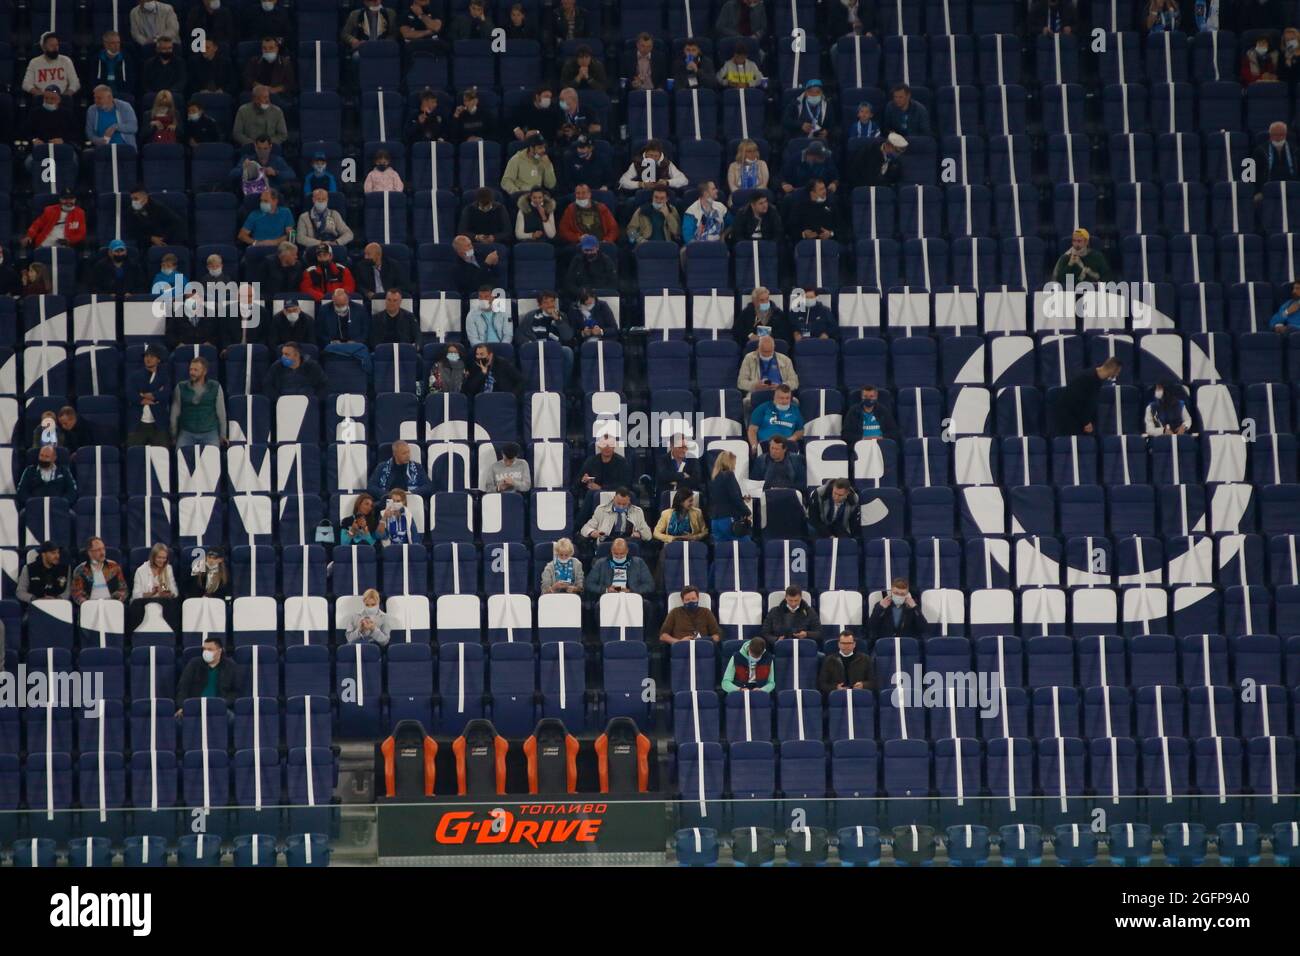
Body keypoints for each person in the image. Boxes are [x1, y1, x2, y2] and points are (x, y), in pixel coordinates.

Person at [516, 291, 575, 382]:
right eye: (546, 302)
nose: (550, 305)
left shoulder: (561, 316)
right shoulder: (530, 316)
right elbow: (519, 334)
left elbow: (568, 336)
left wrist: (558, 320)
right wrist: (530, 343)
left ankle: (564, 386)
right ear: (540, 305)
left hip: (554, 347)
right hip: (535, 346)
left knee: (568, 352)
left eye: (552, 301)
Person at [174, 635, 238, 717]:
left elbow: (235, 692)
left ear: (219, 651)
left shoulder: (230, 666)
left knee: (232, 719)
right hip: (195, 706)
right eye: (204, 649)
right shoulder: (194, 664)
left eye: (210, 649)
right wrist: (182, 706)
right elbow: (183, 687)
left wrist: (223, 703)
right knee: (178, 720)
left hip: (219, 707)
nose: (206, 652)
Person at [170, 356, 227, 448]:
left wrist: (223, 435)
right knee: (181, 456)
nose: (192, 372)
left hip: (210, 432)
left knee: (213, 457)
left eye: (195, 370)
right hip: (187, 432)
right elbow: (175, 414)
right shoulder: (180, 387)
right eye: (190, 369)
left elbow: (221, 413)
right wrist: (173, 435)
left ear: (204, 372)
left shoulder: (215, 387)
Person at [1056, 357, 1122, 435]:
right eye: (1117, 372)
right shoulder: (1087, 378)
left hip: (1079, 420)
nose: (1117, 375)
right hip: (1069, 420)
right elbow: (1073, 401)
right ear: (1112, 369)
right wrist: (1086, 422)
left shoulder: (1097, 379)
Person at [128, 543, 180, 632]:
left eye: (164, 558)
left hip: (163, 602)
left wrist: (166, 593)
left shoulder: (168, 569)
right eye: (159, 557)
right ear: (153, 557)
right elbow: (136, 595)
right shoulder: (141, 570)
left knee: (173, 604)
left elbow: (174, 592)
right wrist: (151, 593)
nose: (162, 560)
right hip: (143, 603)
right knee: (137, 605)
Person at [737, 335, 799, 404]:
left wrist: (781, 386)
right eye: (764, 351)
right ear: (758, 348)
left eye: (769, 351)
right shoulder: (749, 358)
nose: (766, 354)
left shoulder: (785, 360)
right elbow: (741, 382)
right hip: (757, 392)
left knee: (795, 401)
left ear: (774, 347)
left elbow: (794, 382)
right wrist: (755, 385)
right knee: (746, 402)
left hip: (780, 392)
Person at [585, 537, 654, 596]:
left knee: (646, 605)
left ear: (627, 551)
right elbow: (589, 584)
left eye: (622, 554)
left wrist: (631, 591)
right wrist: (606, 590)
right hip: (608, 596)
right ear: (611, 550)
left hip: (631, 596)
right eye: (616, 553)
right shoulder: (601, 563)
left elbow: (650, 585)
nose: (619, 556)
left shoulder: (639, 563)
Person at [71, 537, 128, 606]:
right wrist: (86, 604)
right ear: (90, 552)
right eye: (98, 550)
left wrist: (117, 600)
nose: (102, 552)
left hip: (112, 604)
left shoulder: (114, 566)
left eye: (103, 549)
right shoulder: (81, 570)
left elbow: (123, 588)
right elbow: (77, 593)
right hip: (90, 605)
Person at [581, 487, 652, 542]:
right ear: (614, 499)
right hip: (607, 542)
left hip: (628, 543)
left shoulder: (637, 512)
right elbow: (585, 529)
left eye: (624, 504)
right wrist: (592, 532)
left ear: (629, 501)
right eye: (618, 503)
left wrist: (639, 534)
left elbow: (648, 536)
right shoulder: (601, 510)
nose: (621, 506)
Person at [24, 89, 81, 158]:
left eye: (52, 98)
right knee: (29, 162)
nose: (49, 101)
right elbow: (27, 131)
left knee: (73, 160)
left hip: (62, 147)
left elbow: (76, 133)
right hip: (40, 148)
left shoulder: (68, 113)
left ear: (59, 100)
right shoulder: (34, 113)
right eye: (46, 98)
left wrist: (63, 140)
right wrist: (34, 140)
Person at [709, 450, 751, 542]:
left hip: (715, 521)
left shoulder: (715, 478)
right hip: (728, 520)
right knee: (746, 546)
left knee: (722, 552)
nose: (735, 465)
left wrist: (742, 497)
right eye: (734, 462)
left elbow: (722, 498)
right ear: (730, 462)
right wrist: (747, 512)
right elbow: (735, 499)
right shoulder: (729, 475)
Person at [618, 141, 688, 195]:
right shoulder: (637, 163)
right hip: (643, 194)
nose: (653, 158)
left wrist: (667, 182)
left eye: (656, 156)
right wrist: (641, 184)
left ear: (660, 155)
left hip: (662, 196)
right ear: (646, 153)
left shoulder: (667, 163)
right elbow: (623, 181)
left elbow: (684, 180)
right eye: (651, 155)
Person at [748, 384, 805, 451]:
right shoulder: (763, 408)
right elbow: (752, 430)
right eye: (781, 398)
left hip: (787, 447)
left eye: (787, 398)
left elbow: (800, 430)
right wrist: (754, 446)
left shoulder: (795, 410)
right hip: (766, 446)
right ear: (775, 397)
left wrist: (792, 439)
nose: (784, 401)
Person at [24, 32, 81, 97]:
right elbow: (26, 84)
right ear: (44, 47)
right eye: (51, 45)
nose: (55, 48)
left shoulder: (66, 61)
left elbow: (75, 83)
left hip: (62, 97)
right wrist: (41, 94)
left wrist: (66, 95)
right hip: (42, 97)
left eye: (56, 45)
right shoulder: (34, 62)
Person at [564, 234, 618, 298]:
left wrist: (599, 292)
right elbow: (569, 282)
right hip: (581, 296)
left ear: (597, 248)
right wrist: (579, 292)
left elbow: (613, 282)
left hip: (602, 295)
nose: (589, 252)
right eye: (586, 250)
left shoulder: (606, 261)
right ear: (582, 249)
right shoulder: (577, 260)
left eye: (591, 250)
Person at [681, 182, 730, 247]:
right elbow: (688, 237)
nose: (717, 191)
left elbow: (733, 224)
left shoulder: (721, 207)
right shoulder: (691, 212)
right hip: (698, 247)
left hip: (717, 246)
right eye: (713, 189)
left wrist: (723, 235)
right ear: (706, 193)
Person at [1255, 122, 1298, 187]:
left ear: (1285, 135)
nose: (1278, 138)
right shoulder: (1260, 151)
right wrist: (1258, 191)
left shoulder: (1296, 151)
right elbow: (1256, 174)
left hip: (1292, 186)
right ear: (1270, 135)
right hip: (1268, 186)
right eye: (1275, 135)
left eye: (1281, 135)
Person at [94, 31, 130, 97]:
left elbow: (130, 81)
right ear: (105, 44)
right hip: (102, 94)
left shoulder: (126, 59)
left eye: (118, 42)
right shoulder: (96, 59)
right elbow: (93, 81)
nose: (117, 46)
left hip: (121, 93)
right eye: (113, 43)